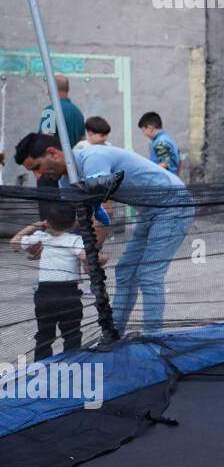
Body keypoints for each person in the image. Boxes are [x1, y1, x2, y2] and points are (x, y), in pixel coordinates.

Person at [15, 131, 195, 333]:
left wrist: (90, 255)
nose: (37, 176)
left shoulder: (94, 159)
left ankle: (153, 340)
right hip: (148, 212)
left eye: (37, 168)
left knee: (149, 274)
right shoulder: (66, 181)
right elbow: (75, 221)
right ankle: (114, 335)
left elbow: (103, 212)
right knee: (125, 271)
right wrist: (49, 240)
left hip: (173, 204)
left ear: (53, 153)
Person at [10, 201, 85, 359]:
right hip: (69, 294)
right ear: (74, 222)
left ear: (47, 222)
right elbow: (85, 257)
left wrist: (34, 225)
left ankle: (42, 368)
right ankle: (72, 365)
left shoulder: (41, 237)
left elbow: (14, 242)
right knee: (72, 334)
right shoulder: (75, 240)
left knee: (44, 334)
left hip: (45, 295)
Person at [37, 74, 86, 146]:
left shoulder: (50, 111)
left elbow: (45, 140)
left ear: (51, 89)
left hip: (56, 156)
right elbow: (83, 141)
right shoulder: (78, 113)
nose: (47, 93)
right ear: (67, 89)